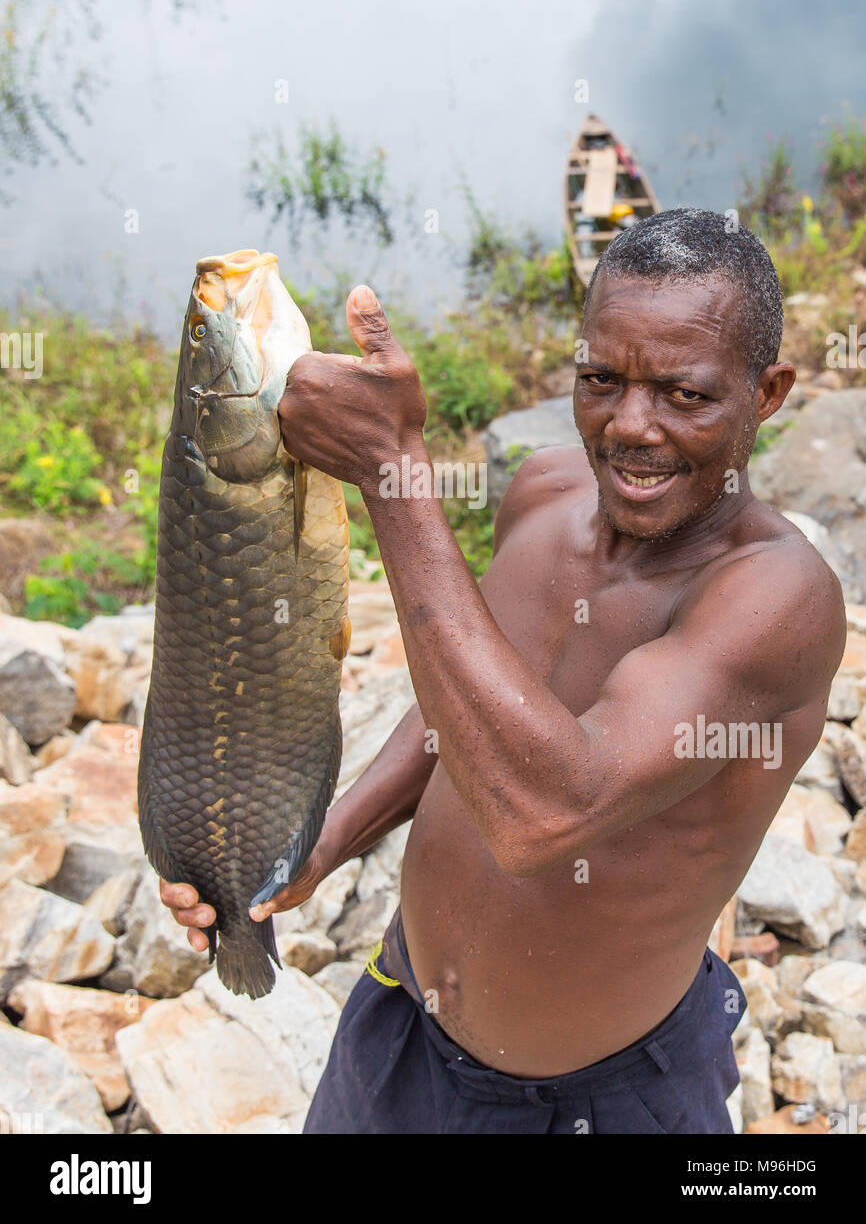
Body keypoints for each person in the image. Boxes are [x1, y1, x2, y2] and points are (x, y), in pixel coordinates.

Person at [161, 208, 846, 1134]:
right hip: (398, 1021)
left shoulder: (775, 598)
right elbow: (464, 703)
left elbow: (545, 814)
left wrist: (395, 474)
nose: (632, 428)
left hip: (593, 1101)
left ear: (767, 394)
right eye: (602, 380)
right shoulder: (546, 490)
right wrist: (318, 849)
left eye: (685, 395)